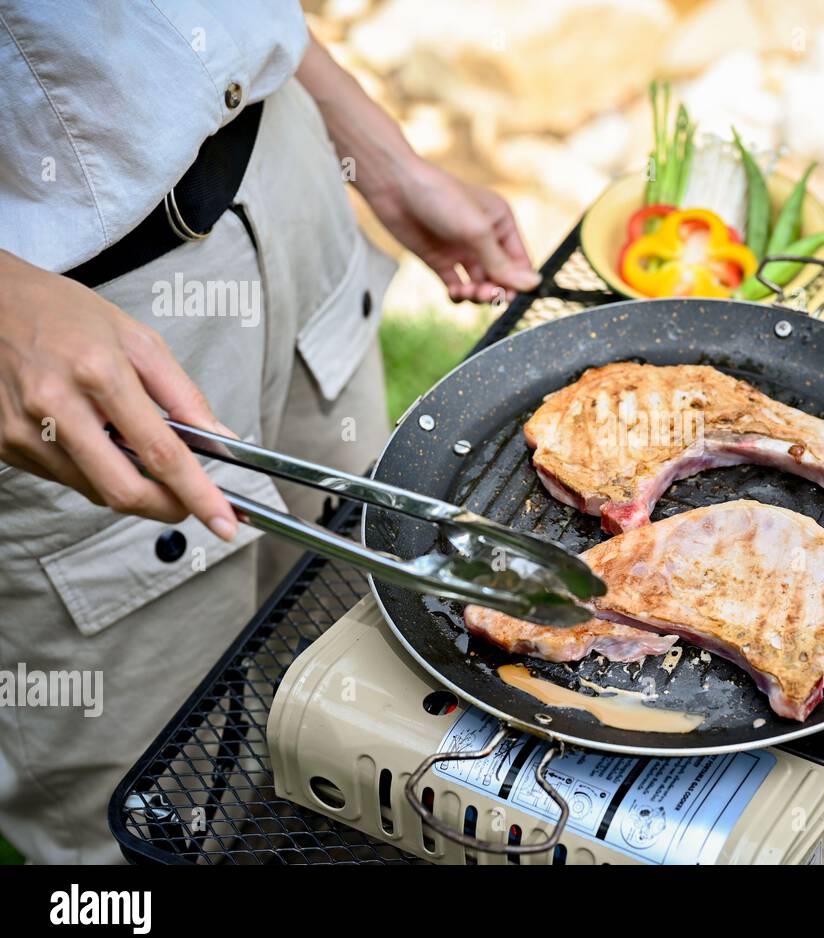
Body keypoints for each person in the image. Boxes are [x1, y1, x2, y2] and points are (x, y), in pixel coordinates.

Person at [0, 1, 539, 863]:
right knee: (148, 816)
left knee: (354, 672)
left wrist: (374, 147)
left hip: (285, 174)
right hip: (64, 323)